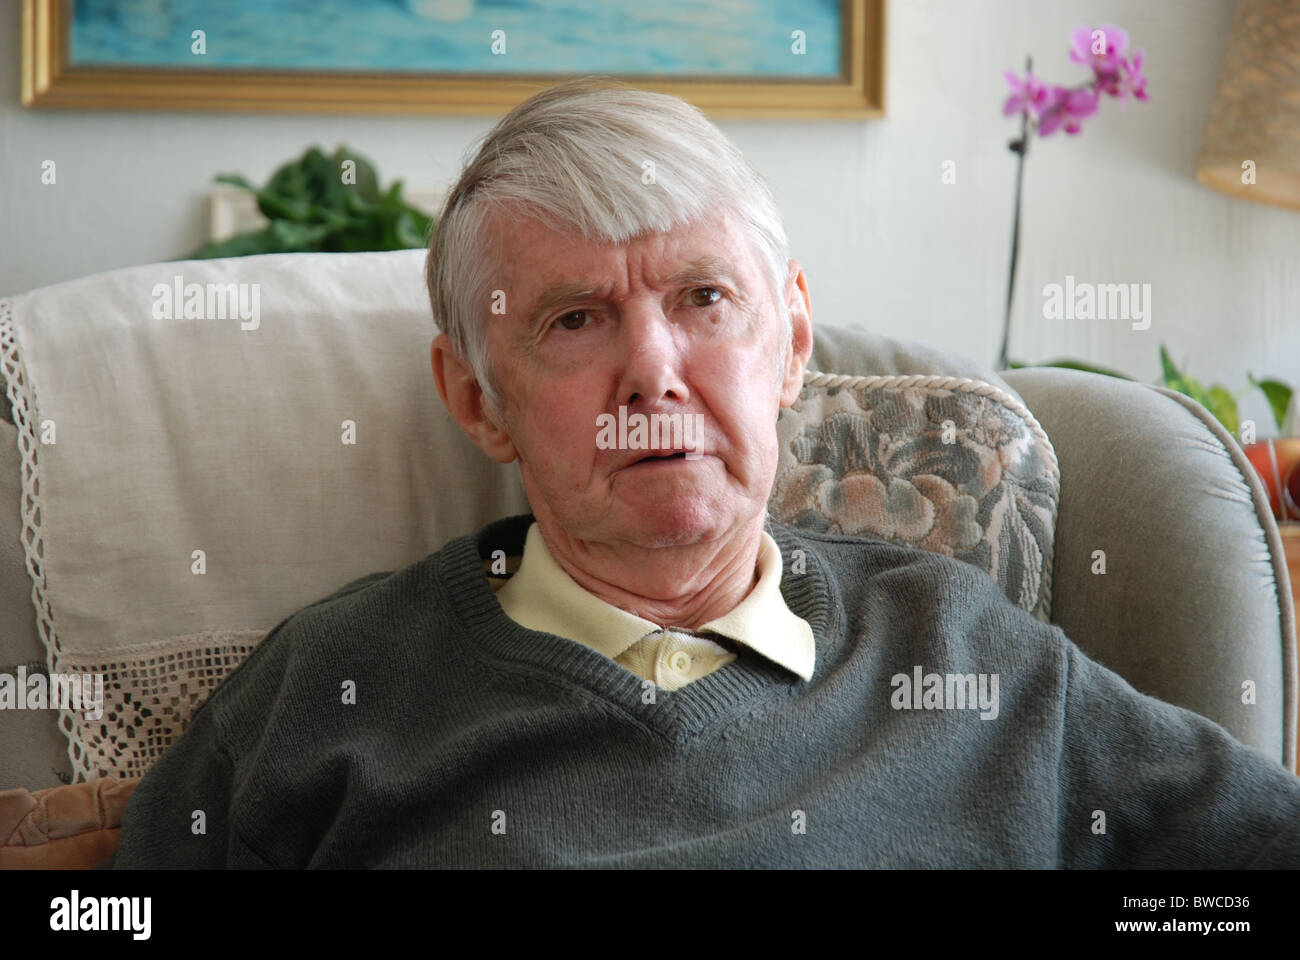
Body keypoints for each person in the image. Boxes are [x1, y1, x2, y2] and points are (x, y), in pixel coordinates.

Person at [106, 77, 1300, 868]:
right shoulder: (336, 688)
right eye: (576, 321)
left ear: (787, 342)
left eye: (704, 300)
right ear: (477, 399)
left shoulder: (967, 658)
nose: (653, 373)